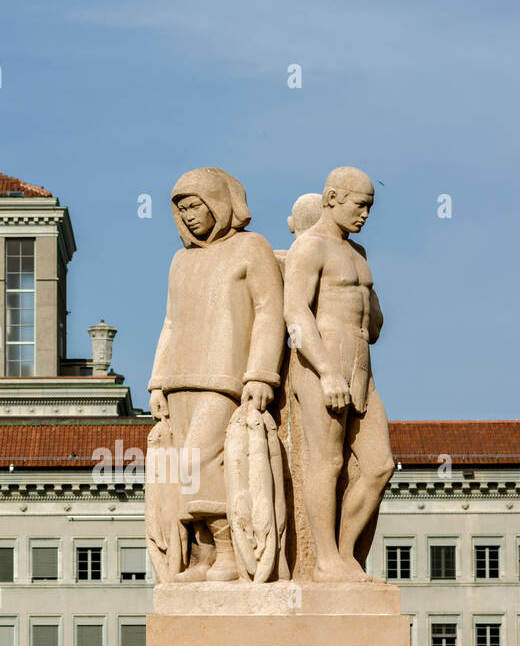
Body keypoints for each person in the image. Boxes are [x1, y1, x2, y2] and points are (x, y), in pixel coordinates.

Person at [148, 168, 285, 580]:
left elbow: (268, 312)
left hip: (226, 376)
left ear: (219, 204)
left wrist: (262, 373)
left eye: (195, 206)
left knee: (202, 460)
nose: (189, 216)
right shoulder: (180, 260)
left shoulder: (251, 248)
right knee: (182, 469)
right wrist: (157, 380)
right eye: (182, 209)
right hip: (179, 379)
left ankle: (229, 554)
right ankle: (203, 556)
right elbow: (170, 323)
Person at [283, 166, 394, 582]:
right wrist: (327, 372)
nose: (365, 214)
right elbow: (295, 312)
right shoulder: (309, 247)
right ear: (331, 199)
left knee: (380, 466)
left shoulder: (358, 254)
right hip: (320, 362)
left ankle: (346, 556)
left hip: (361, 364)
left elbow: (376, 322)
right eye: (359, 204)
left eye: (370, 206)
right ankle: (325, 560)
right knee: (326, 462)